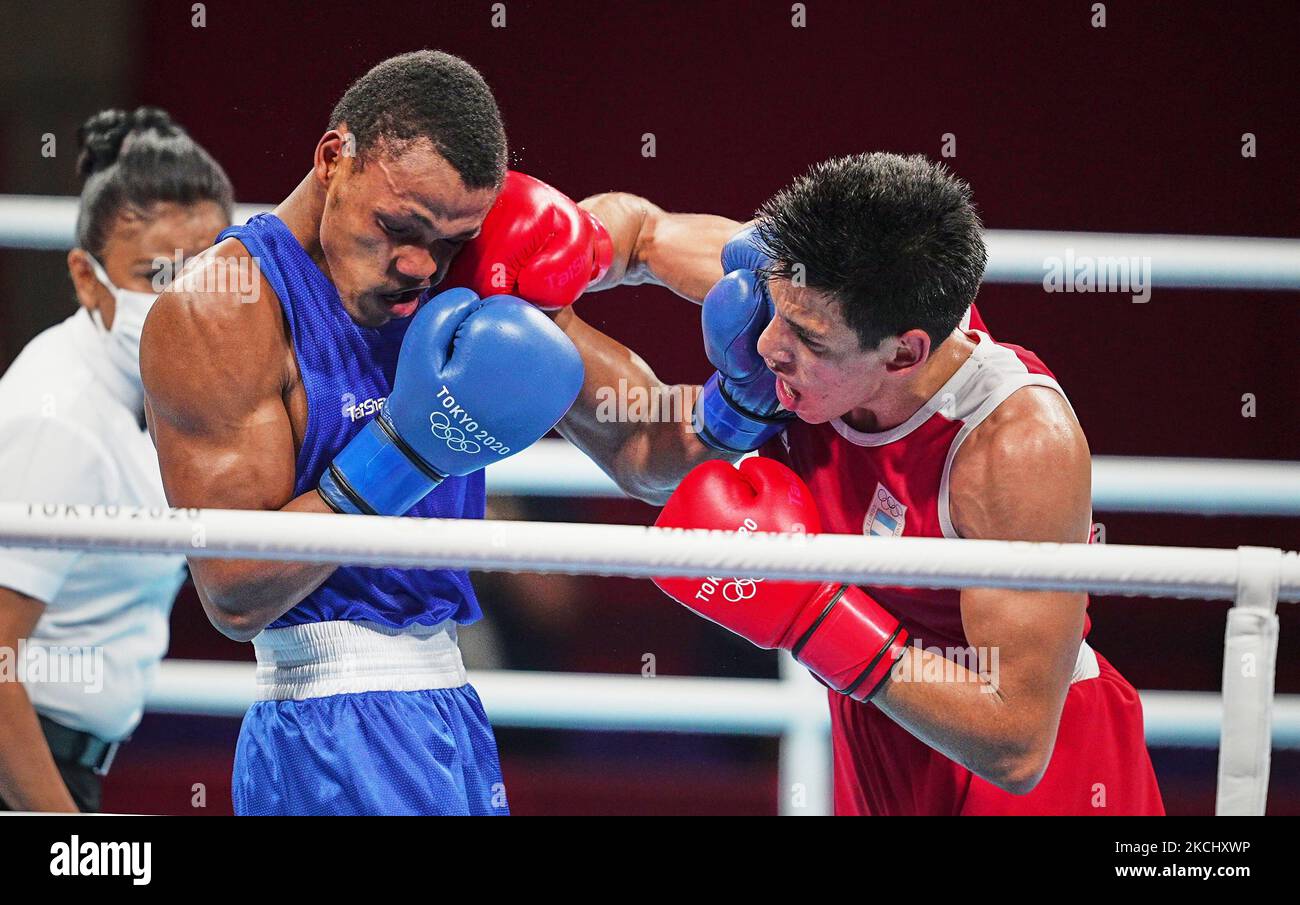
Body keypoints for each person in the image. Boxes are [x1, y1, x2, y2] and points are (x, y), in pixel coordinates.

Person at [558, 152, 1164, 815]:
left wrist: (812, 614)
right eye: (778, 313)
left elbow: (1015, 741)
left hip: (1043, 781)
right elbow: (637, 229)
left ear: (904, 353)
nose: (767, 346)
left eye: (809, 339)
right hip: (877, 738)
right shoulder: (800, 291)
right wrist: (555, 255)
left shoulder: (1014, 443)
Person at [140, 51, 592, 816]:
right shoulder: (224, 309)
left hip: (449, 703)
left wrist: (742, 388)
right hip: (332, 724)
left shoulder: (458, 274)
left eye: (447, 242)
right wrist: (408, 452)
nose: (420, 265)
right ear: (332, 159)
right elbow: (233, 587)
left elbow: (652, 452)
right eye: (396, 227)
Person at [0, 107, 233, 811]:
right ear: (85, 277)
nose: (185, 299)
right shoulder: (58, 420)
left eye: (206, 271)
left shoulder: (163, 390)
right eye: (156, 274)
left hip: (63, 760)